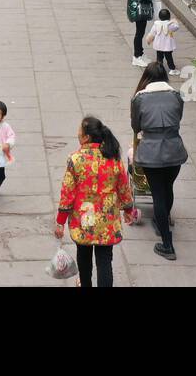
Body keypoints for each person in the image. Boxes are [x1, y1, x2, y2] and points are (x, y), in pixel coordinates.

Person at [55, 116, 135, 288]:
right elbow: (123, 187)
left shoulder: (76, 159)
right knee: (105, 261)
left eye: (79, 131)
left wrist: (60, 221)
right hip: (107, 221)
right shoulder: (113, 159)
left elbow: (67, 191)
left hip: (83, 220)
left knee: (83, 258)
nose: (77, 133)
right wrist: (128, 209)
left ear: (86, 137)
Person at [131, 62, 187, 260]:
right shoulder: (176, 96)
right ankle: (162, 220)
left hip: (151, 153)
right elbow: (178, 118)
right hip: (174, 151)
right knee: (168, 188)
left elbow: (136, 126)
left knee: (158, 195)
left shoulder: (139, 99)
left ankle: (167, 244)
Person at [127, 0, 155, 67]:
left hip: (138, 8)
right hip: (139, 10)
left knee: (141, 32)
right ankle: (137, 56)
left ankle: (140, 53)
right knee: (139, 33)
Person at [144, 7, 180, 72]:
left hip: (158, 45)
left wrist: (149, 40)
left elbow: (152, 33)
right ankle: (172, 69)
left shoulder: (156, 24)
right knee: (169, 57)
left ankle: (159, 69)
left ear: (159, 17)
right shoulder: (170, 25)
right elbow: (177, 27)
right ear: (169, 17)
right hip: (167, 45)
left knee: (159, 58)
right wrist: (174, 21)